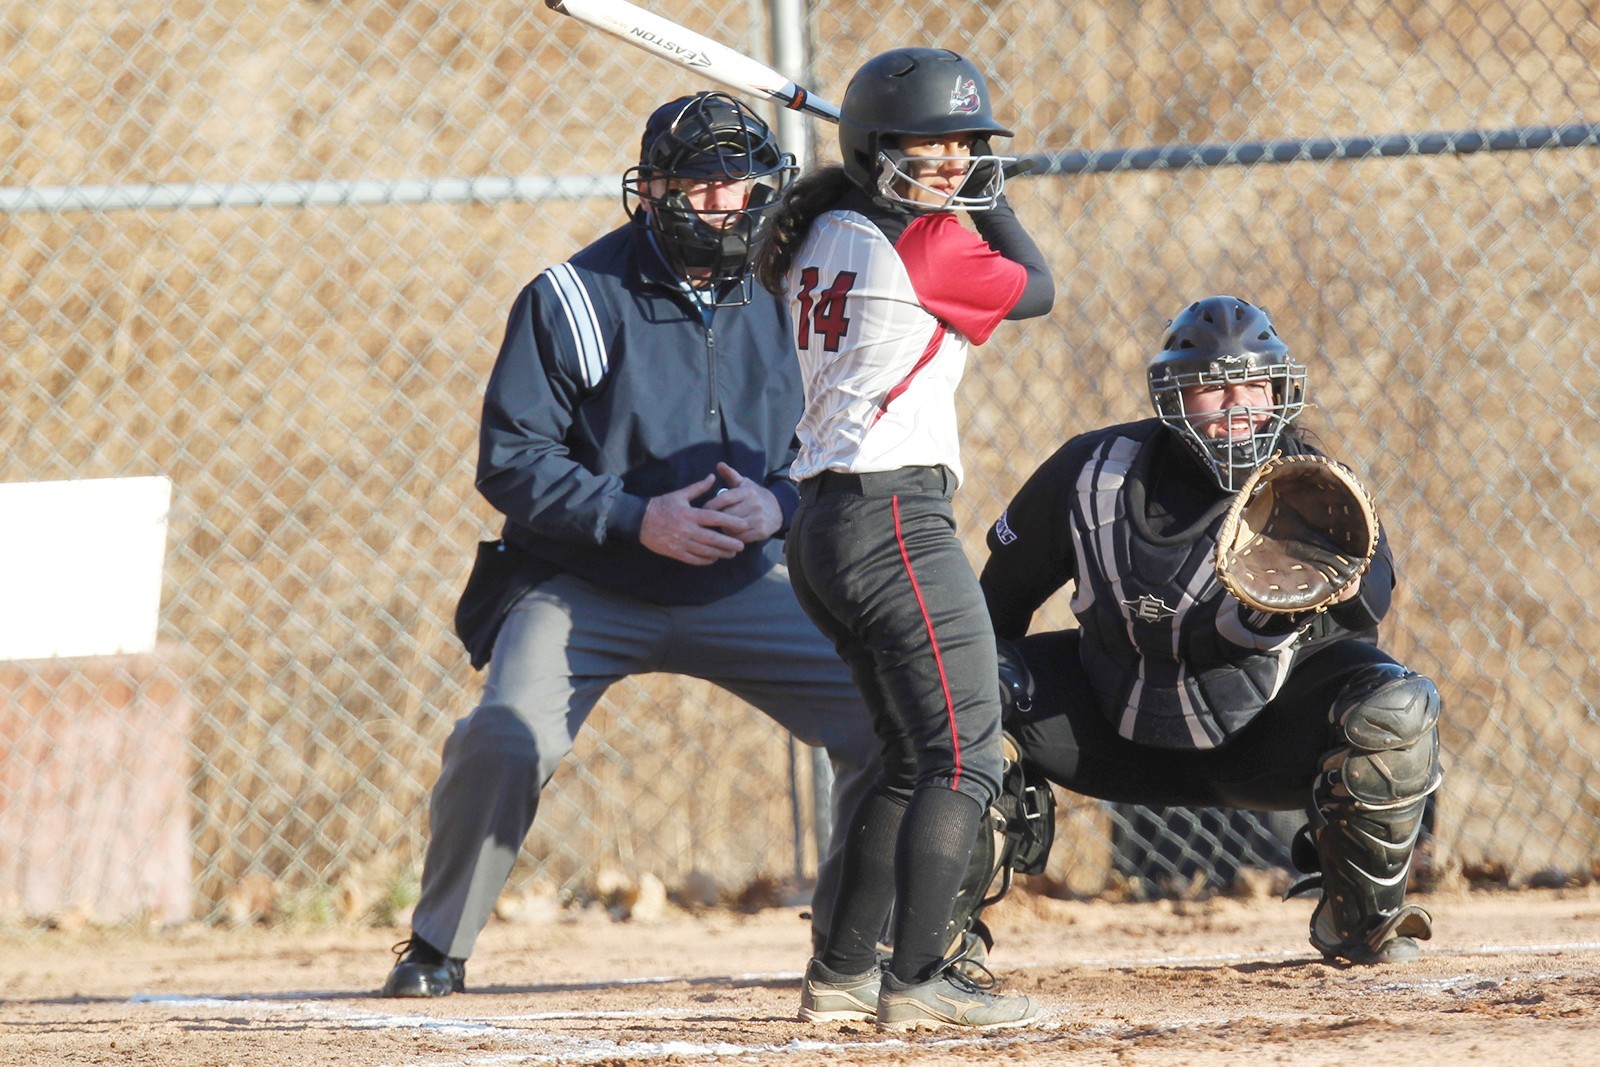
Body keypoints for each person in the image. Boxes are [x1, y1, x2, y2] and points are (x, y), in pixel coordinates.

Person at [379, 91, 883, 998]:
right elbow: (512, 461)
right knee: (504, 734)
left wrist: (779, 504)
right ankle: (435, 947)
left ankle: (852, 945)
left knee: (897, 717)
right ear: (649, 190)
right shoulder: (572, 297)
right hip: (588, 582)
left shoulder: (802, 289)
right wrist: (633, 516)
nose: (726, 204)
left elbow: (847, 438)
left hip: (747, 579)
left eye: (744, 185)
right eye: (701, 185)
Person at [975, 294, 1443, 965]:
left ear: (1281, 392)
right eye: (1211, 388)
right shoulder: (1093, 473)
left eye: (1254, 385)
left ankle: (1361, 918)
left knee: (1398, 706)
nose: (1237, 404)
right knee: (966, 685)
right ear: (1172, 396)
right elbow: (997, 602)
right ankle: (937, 946)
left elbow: (1367, 613)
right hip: (1110, 721)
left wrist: (1341, 576)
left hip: (1262, 735)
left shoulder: (1316, 487)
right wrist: (983, 717)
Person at [754, 47, 1054, 1029]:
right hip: (892, 520)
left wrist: (940, 176)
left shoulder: (822, 224)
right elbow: (1037, 286)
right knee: (965, 755)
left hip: (825, 526)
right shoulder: (926, 246)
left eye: (969, 145)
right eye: (933, 145)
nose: (956, 161)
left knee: (907, 755)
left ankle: (843, 970)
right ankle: (921, 978)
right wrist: (995, 200)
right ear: (874, 150)